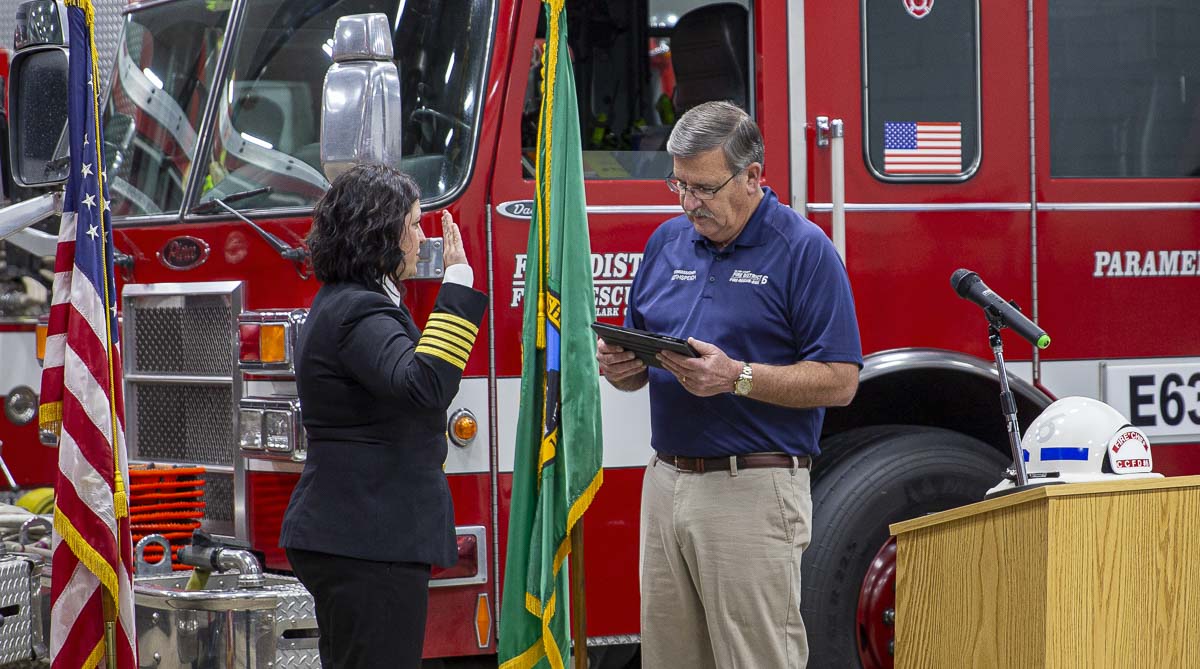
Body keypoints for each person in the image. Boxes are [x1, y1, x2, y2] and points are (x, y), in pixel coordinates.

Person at [596, 101, 862, 668]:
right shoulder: (666, 242)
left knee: (755, 658)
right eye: (679, 185)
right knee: (669, 659)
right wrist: (623, 369)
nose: (689, 203)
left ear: (752, 176)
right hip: (665, 483)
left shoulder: (804, 250)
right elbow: (640, 362)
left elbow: (840, 381)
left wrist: (736, 377)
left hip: (753, 490)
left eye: (704, 188)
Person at [279, 163, 487, 668]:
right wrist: (459, 284)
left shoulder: (346, 302)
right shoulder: (361, 311)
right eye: (413, 225)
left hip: (357, 534)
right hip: (370, 538)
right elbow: (425, 387)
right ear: (381, 233)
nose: (422, 240)